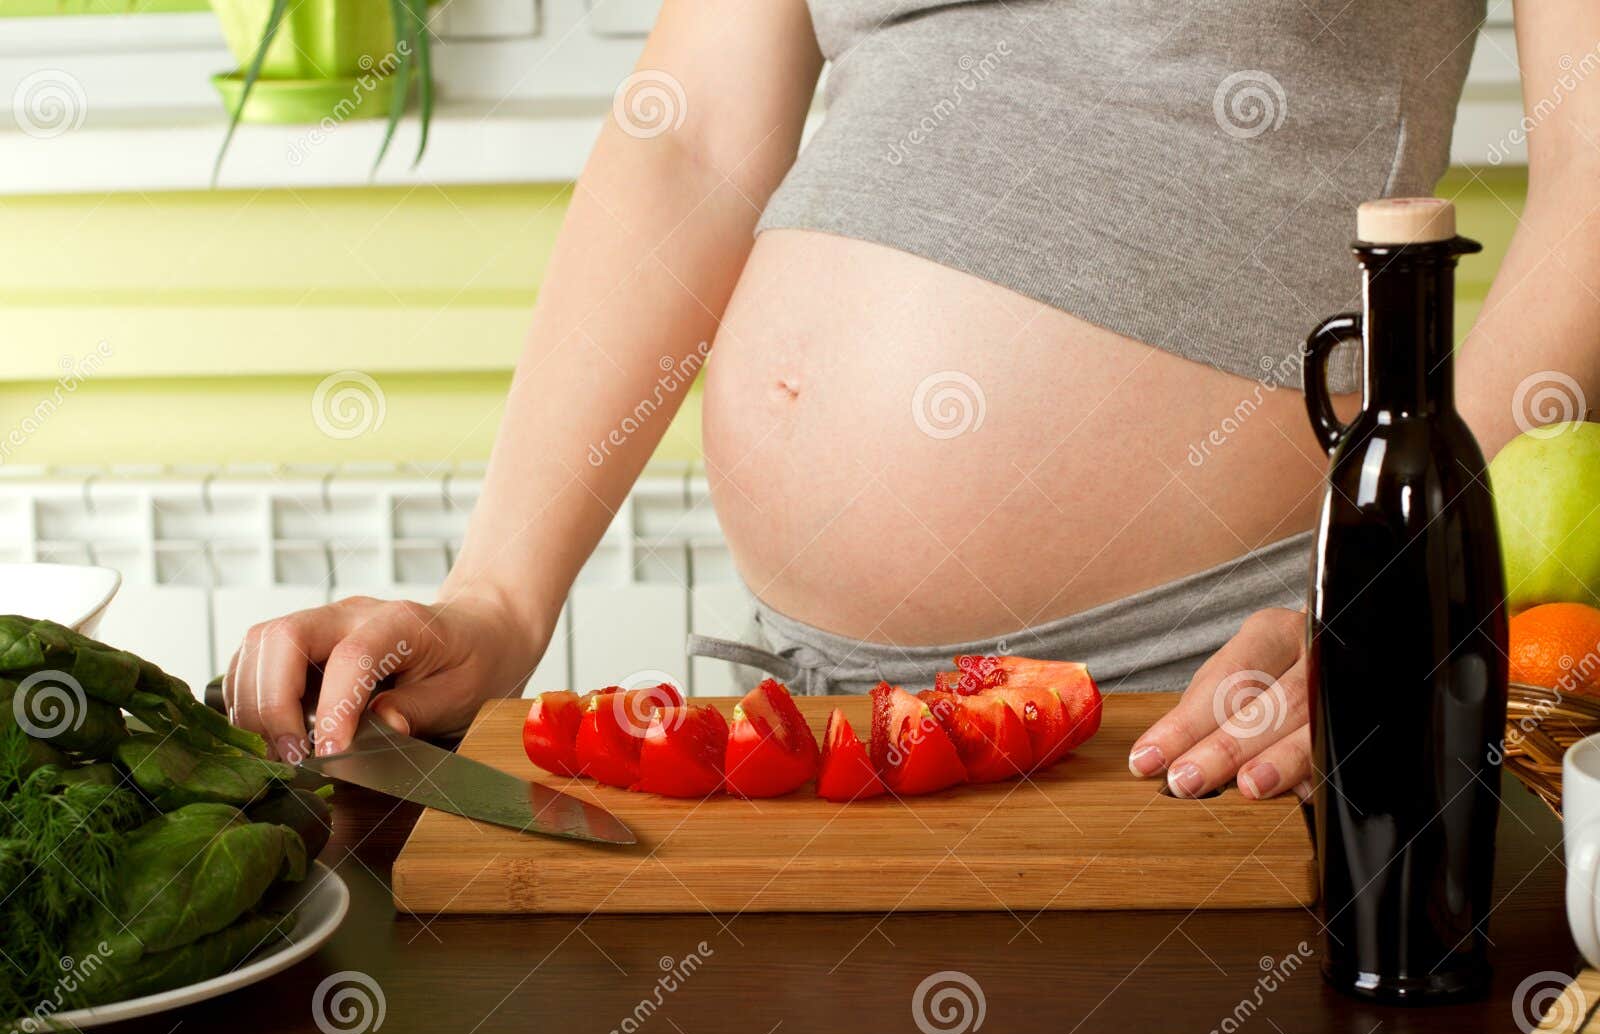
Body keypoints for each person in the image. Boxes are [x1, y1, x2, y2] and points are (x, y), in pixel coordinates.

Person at [225, 0, 1600, 802]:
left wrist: (1393, 588)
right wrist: (500, 598)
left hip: (1229, 693)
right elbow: (690, 133)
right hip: (821, 730)